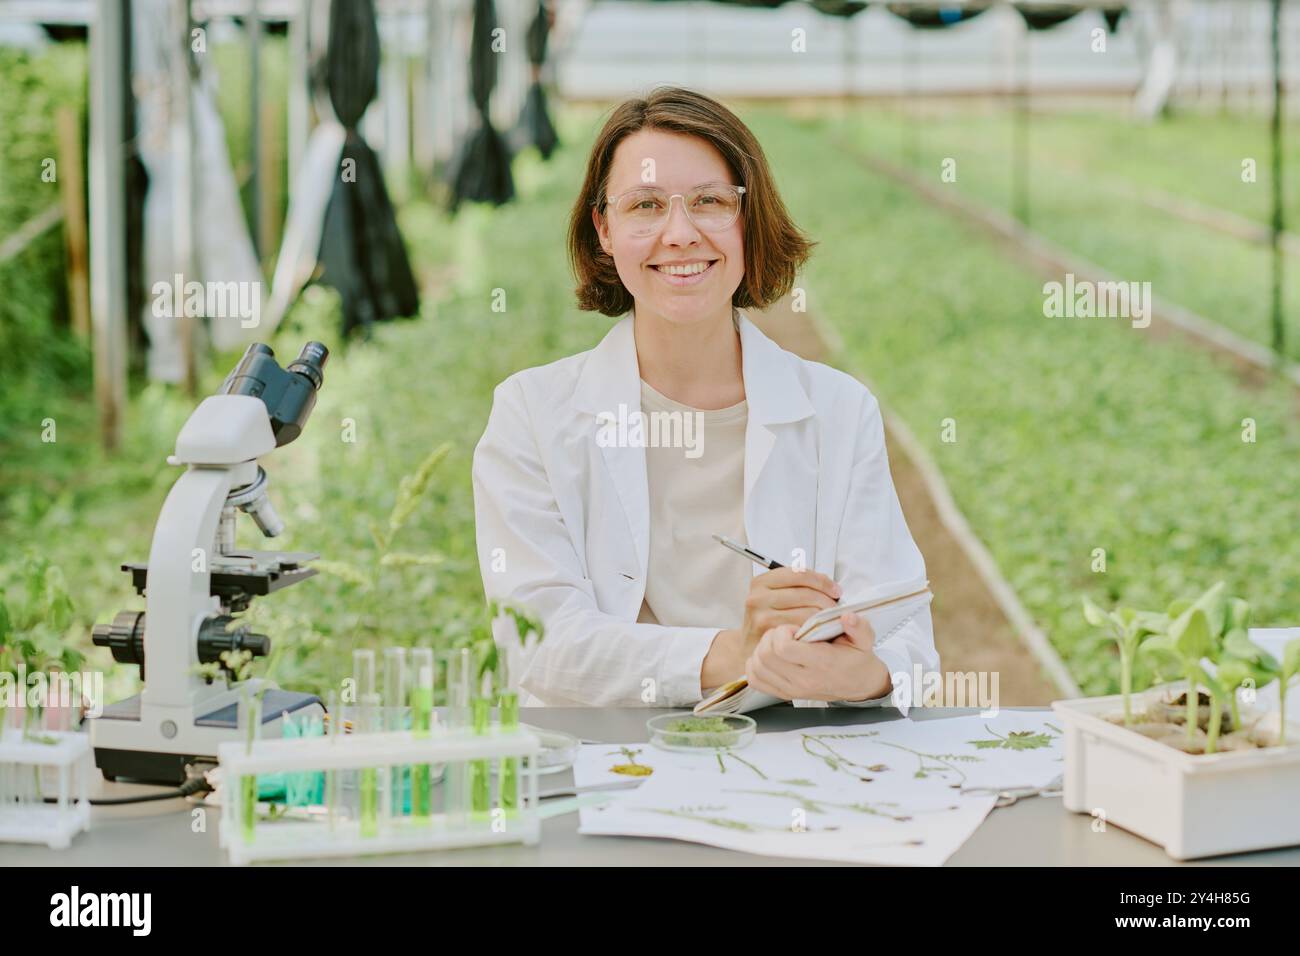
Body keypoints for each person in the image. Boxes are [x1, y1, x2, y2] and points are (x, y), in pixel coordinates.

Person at [472, 87, 937, 708]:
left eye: (710, 201)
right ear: (604, 228)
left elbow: (905, 632)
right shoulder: (531, 413)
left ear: (750, 219)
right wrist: (734, 653)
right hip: (605, 764)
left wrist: (860, 672)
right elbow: (536, 643)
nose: (681, 233)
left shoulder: (837, 410)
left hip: (791, 764)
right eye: (645, 206)